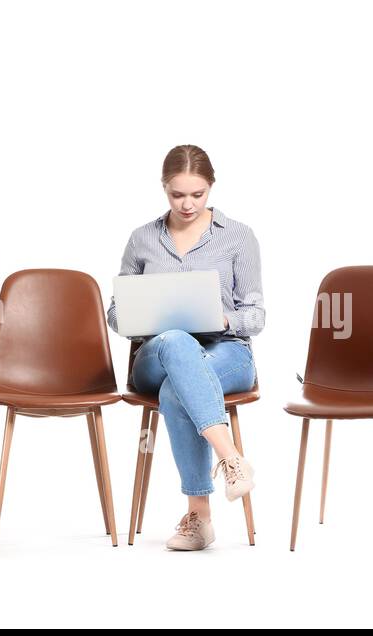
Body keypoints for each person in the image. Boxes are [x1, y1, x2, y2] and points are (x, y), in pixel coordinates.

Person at [108, 145, 264, 551]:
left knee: (179, 387)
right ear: (164, 188)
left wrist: (224, 318)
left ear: (210, 187)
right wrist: (137, 316)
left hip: (225, 352)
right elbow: (114, 312)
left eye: (197, 194)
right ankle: (231, 457)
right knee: (175, 342)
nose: (188, 204)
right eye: (178, 195)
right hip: (154, 356)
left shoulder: (239, 237)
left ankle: (200, 517)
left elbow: (257, 315)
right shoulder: (142, 239)